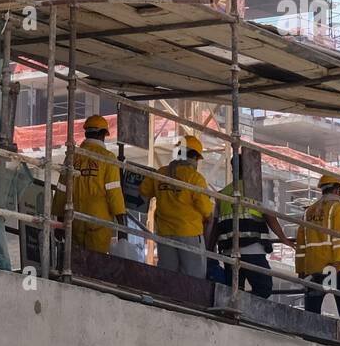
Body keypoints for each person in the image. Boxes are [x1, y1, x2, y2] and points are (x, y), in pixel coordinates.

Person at [139, 134, 213, 278]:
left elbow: (143, 190)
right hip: (189, 234)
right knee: (193, 278)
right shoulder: (195, 178)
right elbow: (206, 211)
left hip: (165, 233)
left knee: (167, 276)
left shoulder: (161, 173)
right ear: (195, 157)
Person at [51, 114, 126, 254]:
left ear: (87, 133)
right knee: (95, 266)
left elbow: (62, 189)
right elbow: (114, 193)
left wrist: (60, 222)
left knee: (75, 264)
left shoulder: (72, 157)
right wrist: (122, 225)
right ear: (103, 134)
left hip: (74, 219)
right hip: (98, 223)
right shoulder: (108, 158)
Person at [209, 178, 294, 299]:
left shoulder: (222, 193)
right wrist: (283, 238)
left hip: (229, 251)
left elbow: (215, 226)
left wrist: (210, 249)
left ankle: (237, 307)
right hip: (252, 250)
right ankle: (244, 306)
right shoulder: (255, 190)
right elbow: (270, 216)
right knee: (264, 289)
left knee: (234, 289)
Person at [296, 173, 340, 324]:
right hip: (335, 267)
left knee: (312, 311)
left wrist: (301, 269)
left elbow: (301, 244)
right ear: (337, 190)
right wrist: (338, 262)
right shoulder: (338, 207)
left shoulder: (309, 211)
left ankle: (310, 337)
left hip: (312, 269)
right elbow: (339, 238)